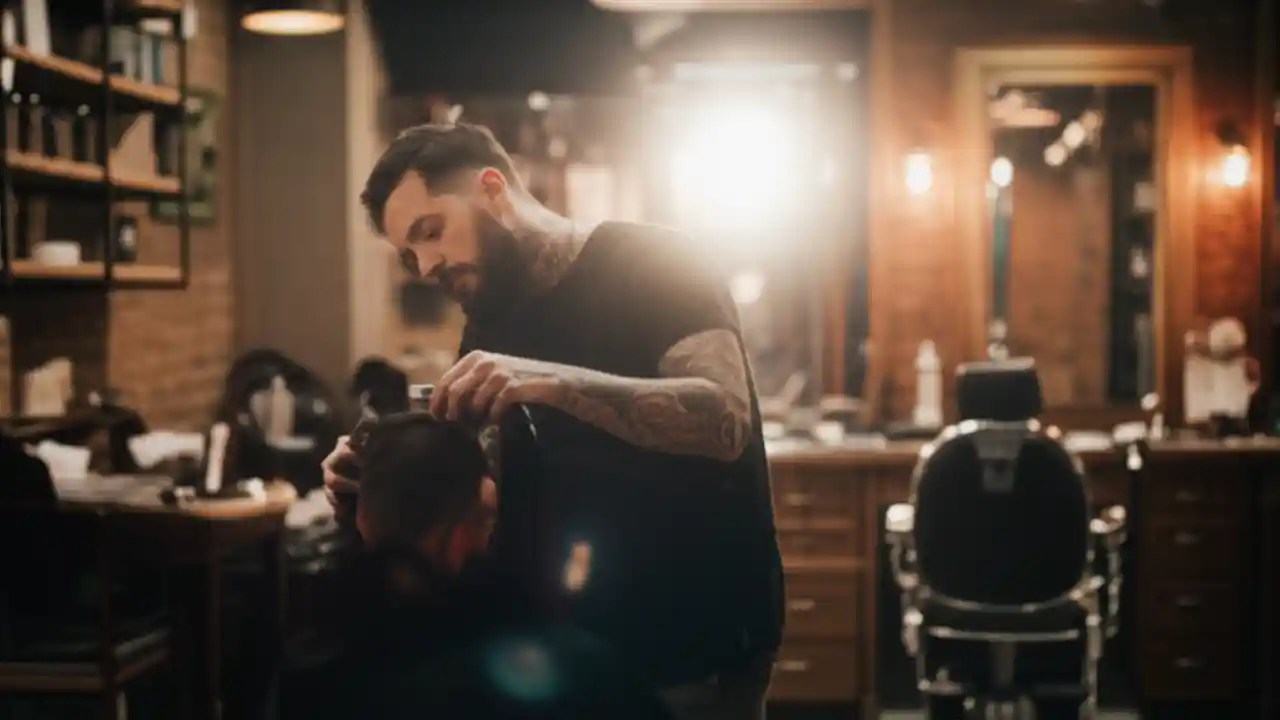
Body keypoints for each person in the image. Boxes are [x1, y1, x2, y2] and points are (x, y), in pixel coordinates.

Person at [323, 122, 784, 719]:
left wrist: (550, 381)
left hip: (691, 642)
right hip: (571, 653)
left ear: (493, 189)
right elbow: (484, 490)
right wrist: (377, 482)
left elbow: (725, 420)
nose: (426, 265)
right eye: (410, 255)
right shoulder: (490, 319)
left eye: (431, 232)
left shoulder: (654, 260)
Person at [290, 412, 668, 720]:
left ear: (362, 518)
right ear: (463, 537)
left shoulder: (310, 678)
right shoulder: (578, 671)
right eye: (487, 517)